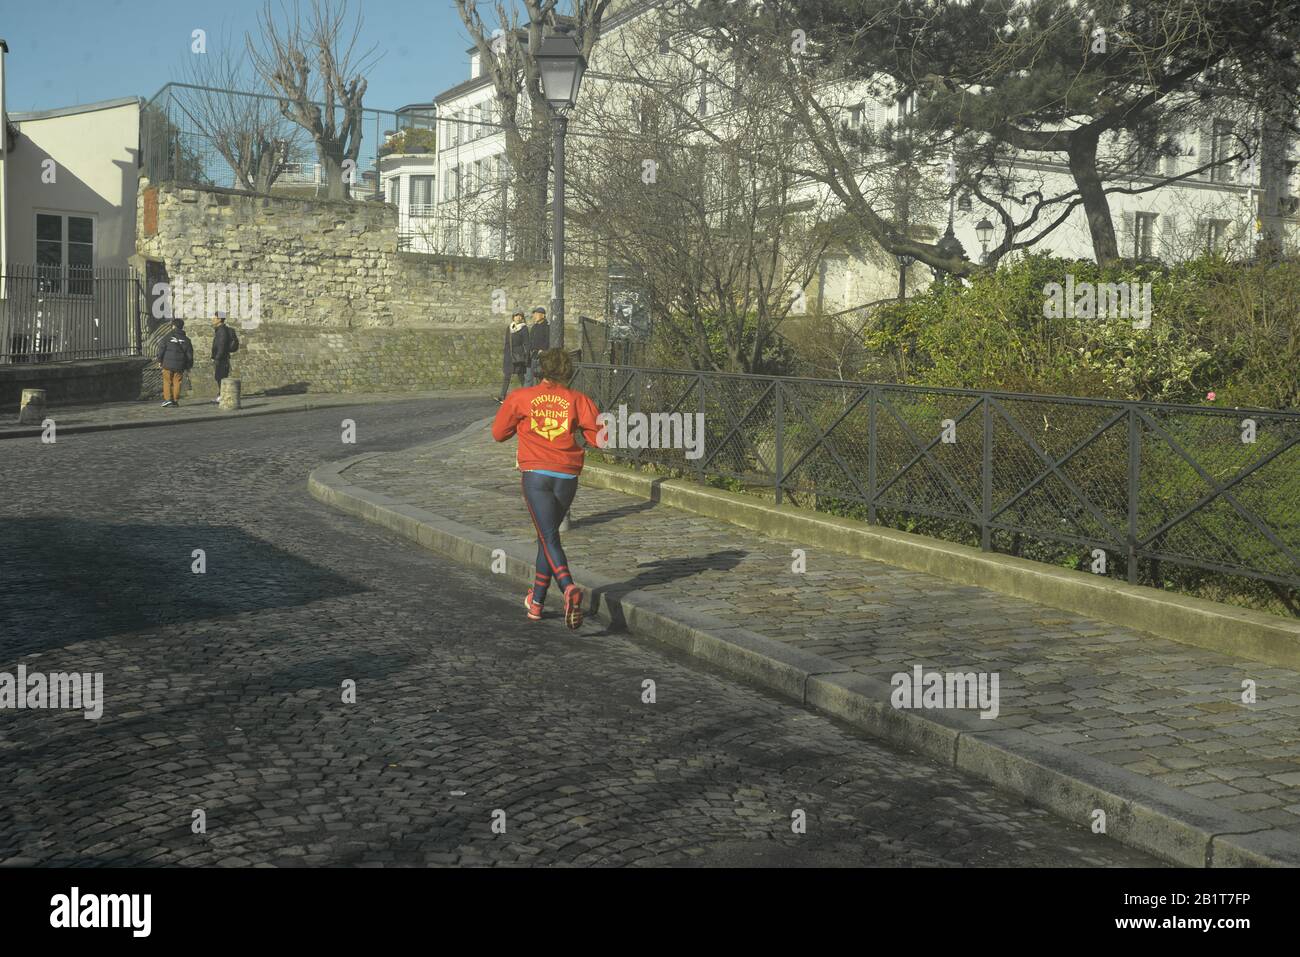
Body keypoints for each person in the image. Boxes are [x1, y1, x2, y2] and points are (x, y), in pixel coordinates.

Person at [492, 348, 601, 629]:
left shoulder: (521, 397)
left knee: (549, 535)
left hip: (536, 474)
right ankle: (536, 603)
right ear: (570, 372)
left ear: (541, 370)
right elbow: (600, 438)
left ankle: (567, 587)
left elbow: (498, 434)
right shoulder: (579, 399)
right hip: (567, 476)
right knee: (546, 535)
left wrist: (522, 425)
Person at [157, 318, 195, 407]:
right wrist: (189, 365)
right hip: (180, 365)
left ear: (173, 326)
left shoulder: (167, 337)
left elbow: (161, 349)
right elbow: (189, 354)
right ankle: (175, 400)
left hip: (167, 363)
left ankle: (168, 400)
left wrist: (159, 360)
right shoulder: (186, 339)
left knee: (167, 381)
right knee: (177, 382)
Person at [498, 311, 529, 403]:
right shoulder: (509, 327)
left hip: (518, 356)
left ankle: (527, 395)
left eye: (520, 316)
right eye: (516, 316)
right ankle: (502, 395)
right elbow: (507, 342)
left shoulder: (524, 328)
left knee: (521, 376)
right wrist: (506, 354)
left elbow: (526, 343)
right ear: (513, 317)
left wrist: (526, 355)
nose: (518, 318)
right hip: (509, 355)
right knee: (507, 375)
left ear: (522, 318)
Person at [210, 311, 238, 404]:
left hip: (222, 358)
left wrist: (217, 357)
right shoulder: (220, 329)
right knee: (219, 377)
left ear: (219, 319)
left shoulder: (222, 330)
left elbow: (221, 345)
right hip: (221, 357)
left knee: (220, 377)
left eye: (214, 318)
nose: (212, 319)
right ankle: (220, 395)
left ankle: (222, 396)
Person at [524, 306, 550, 386]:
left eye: (537, 314)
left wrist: (542, 350)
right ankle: (526, 397)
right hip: (531, 356)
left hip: (540, 357)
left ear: (543, 315)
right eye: (534, 314)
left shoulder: (547, 327)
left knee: (540, 379)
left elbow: (548, 341)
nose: (534, 316)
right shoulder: (534, 327)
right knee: (528, 378)